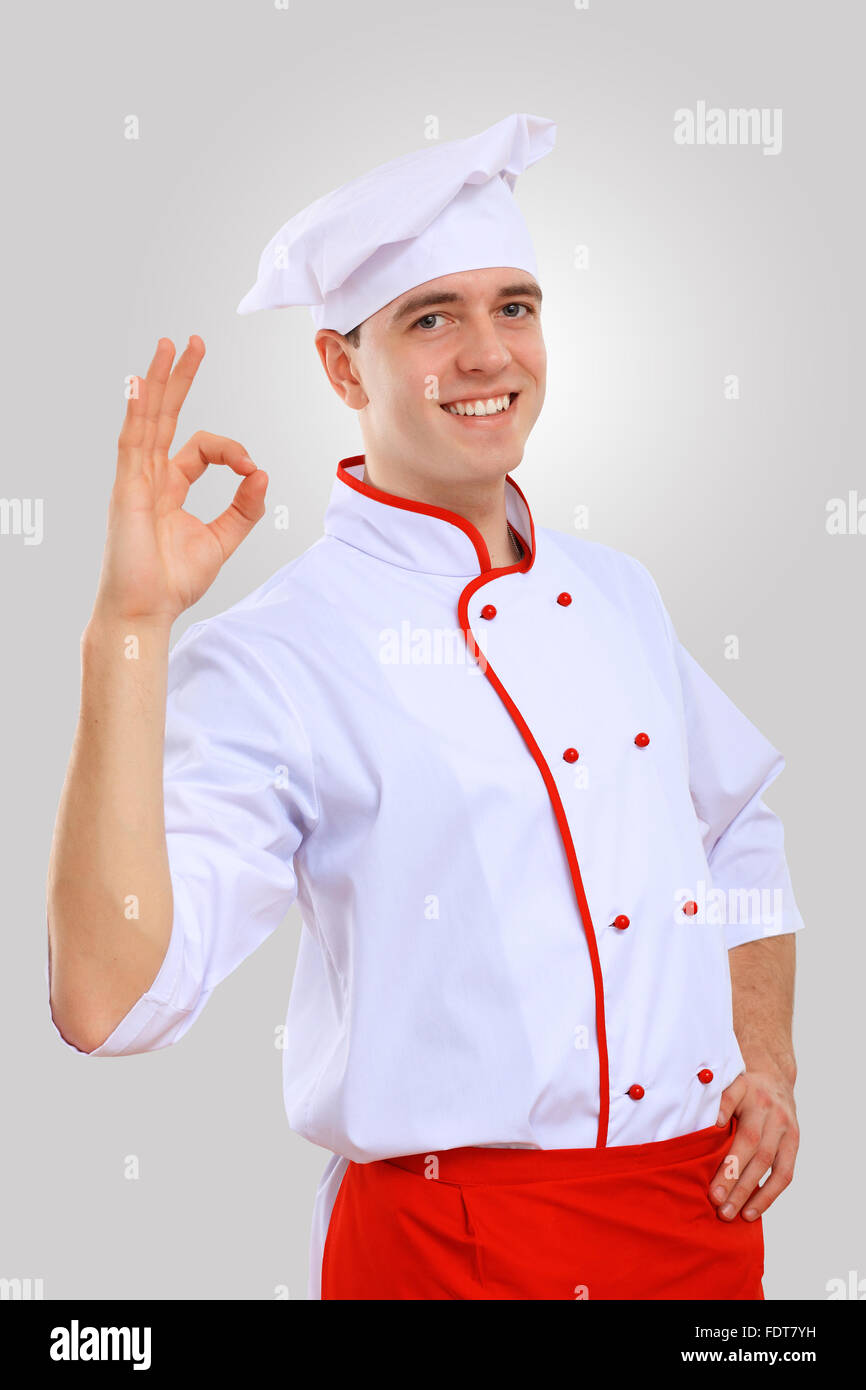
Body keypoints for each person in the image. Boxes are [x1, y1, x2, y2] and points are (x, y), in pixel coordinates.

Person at [46, 114, 803, 1300]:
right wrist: (129, 634)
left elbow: (739, 824)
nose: (487, 353)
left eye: (514, 306)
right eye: (429, 318)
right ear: (342, 367)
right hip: (449, 1254)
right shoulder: (278, 653)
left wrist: (764, 1053)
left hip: (693, 1227)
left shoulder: (617, 595)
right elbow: (107, 999)